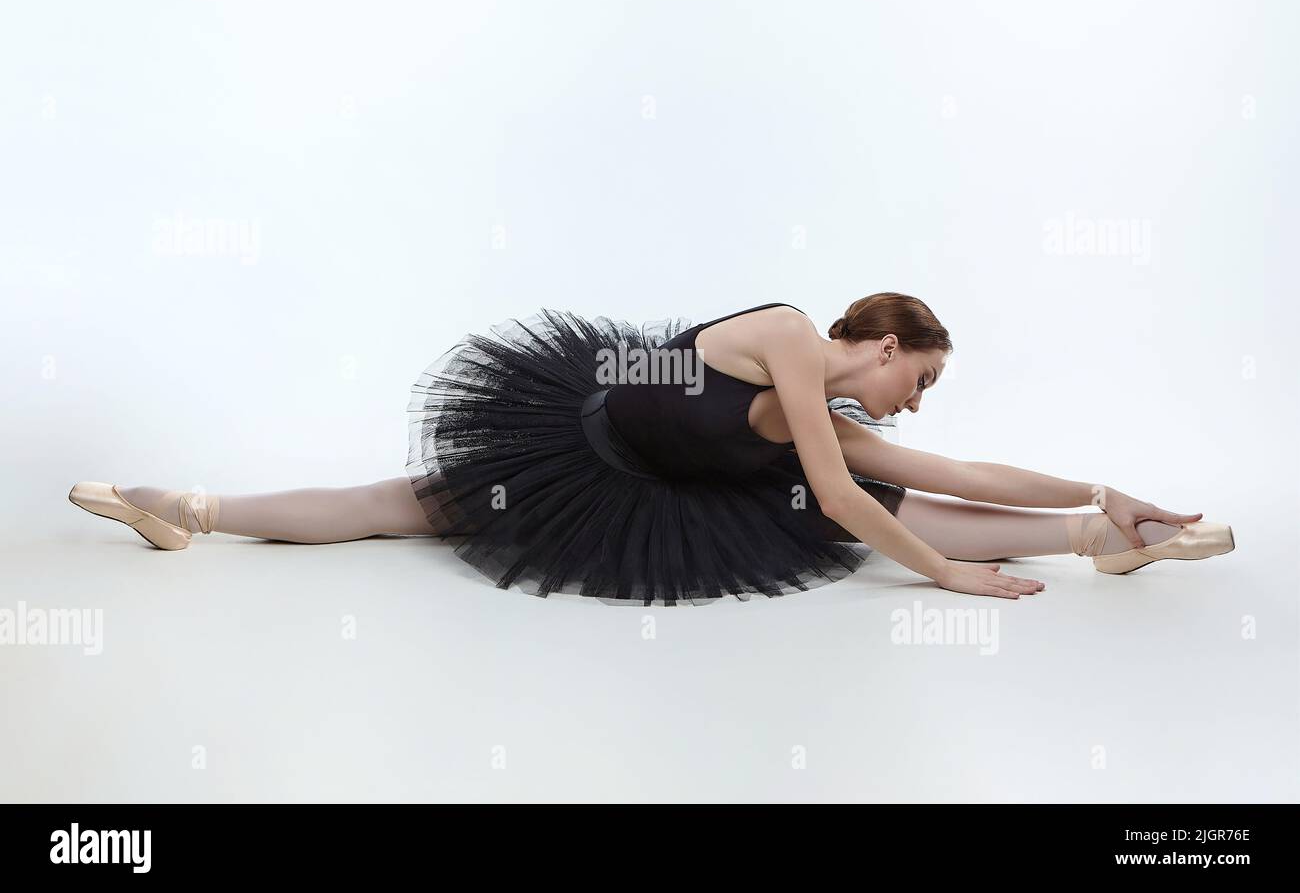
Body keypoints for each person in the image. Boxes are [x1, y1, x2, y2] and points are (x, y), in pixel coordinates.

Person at [68, 294, 1234, 605]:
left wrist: (1092, 479)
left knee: (892, 501)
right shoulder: (784, 334)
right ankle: (189, 507)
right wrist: (947, 579)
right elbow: (841, 482)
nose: (914, 403)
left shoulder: (836, 420)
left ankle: (1112, 534)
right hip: (579, 446)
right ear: (879, 340)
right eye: (916, 378)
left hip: (683, 481)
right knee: (403, 500)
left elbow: (952, 474)